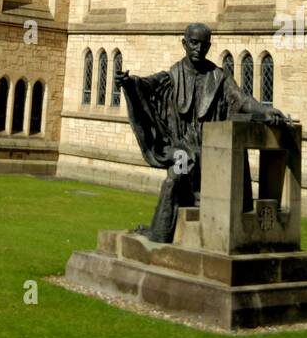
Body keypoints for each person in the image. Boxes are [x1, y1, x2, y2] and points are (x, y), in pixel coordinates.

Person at [115, 22, 293, 243]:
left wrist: (266, 111)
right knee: (174, 178)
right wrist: (128, 83)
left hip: (212, 148)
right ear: (184, 44)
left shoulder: (219, 77)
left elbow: (242, 100)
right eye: (193, 43)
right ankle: (158, 233)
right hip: (183, 150)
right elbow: (147, 85)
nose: (198, 48)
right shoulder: (174, 75)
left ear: (209, 46)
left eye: (204, 44)